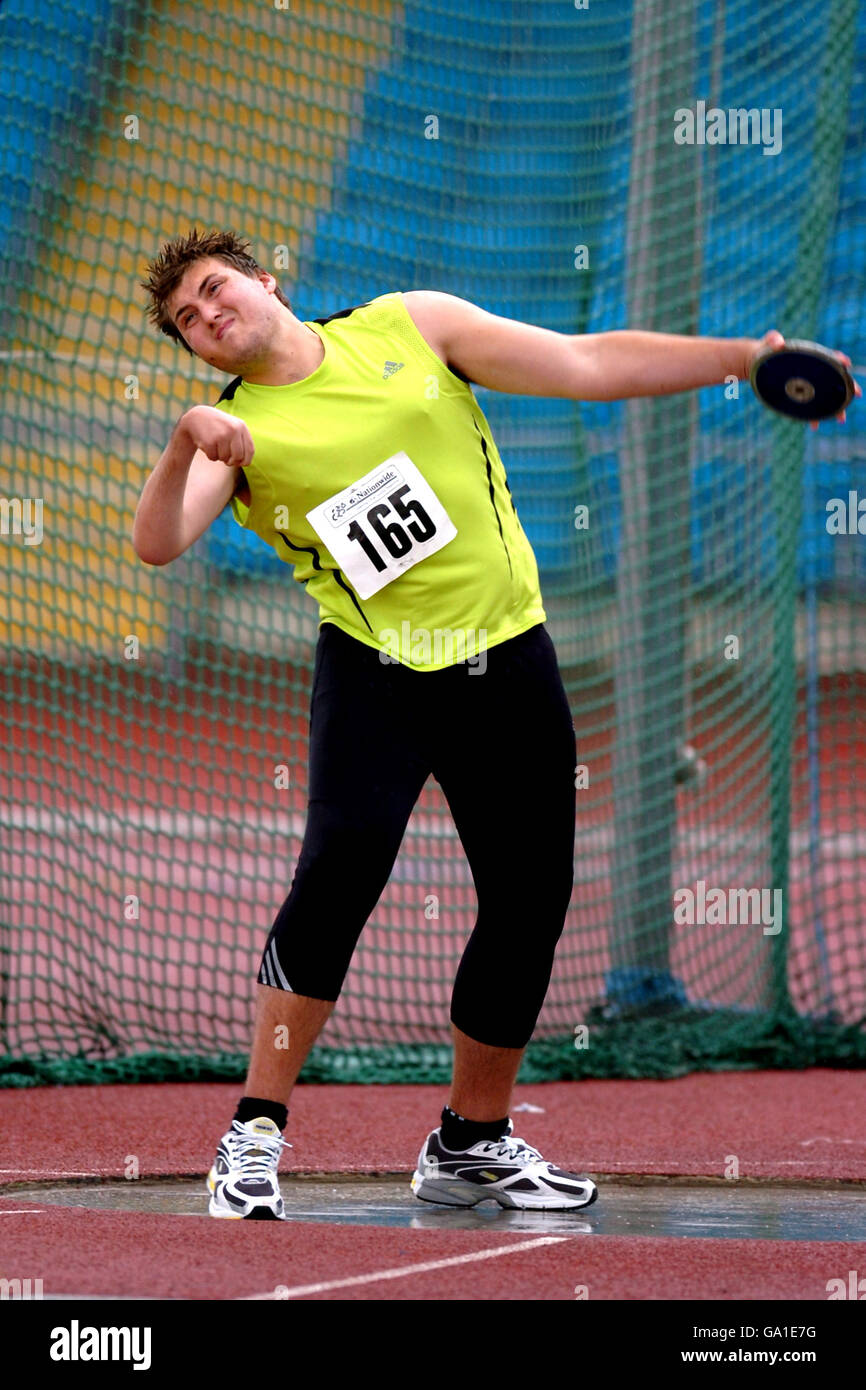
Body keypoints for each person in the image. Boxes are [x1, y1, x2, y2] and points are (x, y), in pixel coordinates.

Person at [135, 227, 856, 1220]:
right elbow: (160, 541)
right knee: (341, 866)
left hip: (505, 655)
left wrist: (741, 359)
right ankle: (252, 1134)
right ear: (198, 353)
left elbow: (584, 362)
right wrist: (184, 443)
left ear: (265, 281)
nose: (210, 316)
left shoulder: (408, 326)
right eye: (189, 322)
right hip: (377, 670)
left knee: (528, 900)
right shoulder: (236, 431)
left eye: (217, 291)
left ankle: (470, 1143)